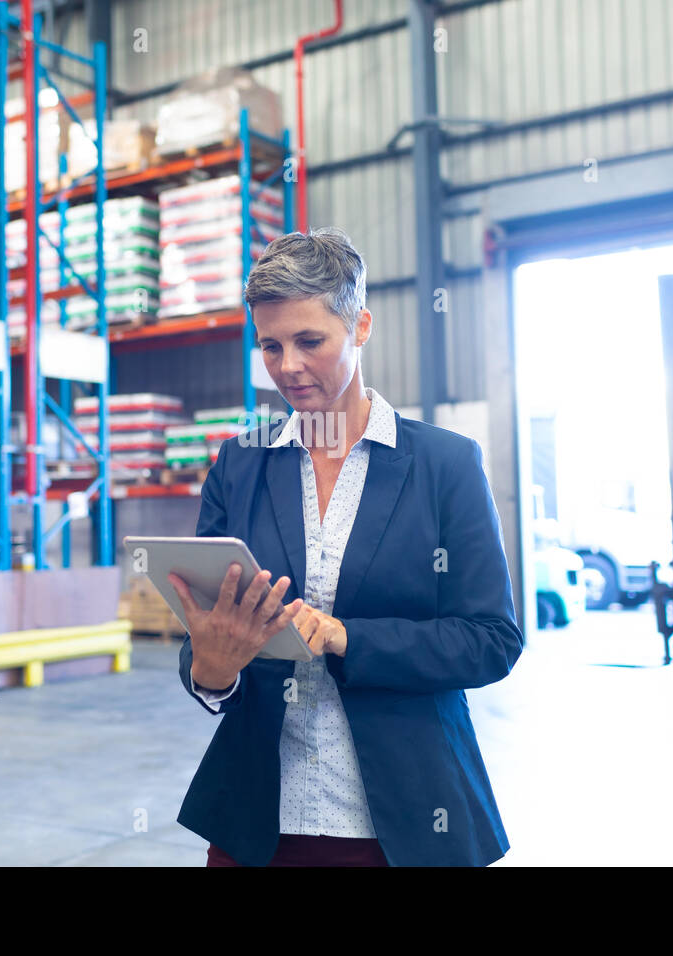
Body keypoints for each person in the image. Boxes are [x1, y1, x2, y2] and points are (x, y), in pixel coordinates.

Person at [167, 227, 523, 867]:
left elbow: (491, 639)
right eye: (270, 346)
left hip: (405, 820)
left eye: (310, 341)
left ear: (360, 326)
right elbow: (206, 641)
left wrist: (346, 638)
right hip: (258, 821)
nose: (289, 366)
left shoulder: (446, 465)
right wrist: (211, 670)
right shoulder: (240, 466)